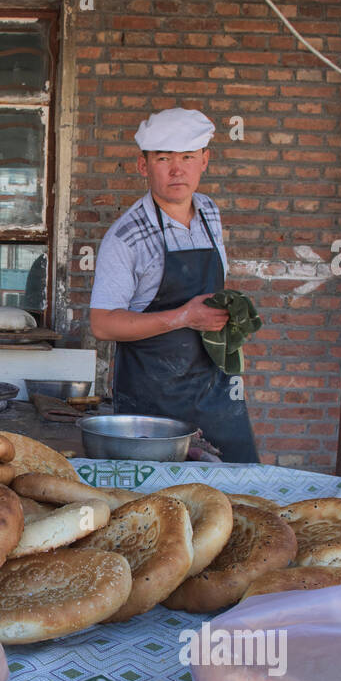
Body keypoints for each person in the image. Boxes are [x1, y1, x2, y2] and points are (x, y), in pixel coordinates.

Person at [88, 107, 260, 463]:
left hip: (215, 396)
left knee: (241, 497)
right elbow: (102, 323)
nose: (177, 169)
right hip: (154, 405)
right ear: (143, 165)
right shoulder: (126, 237)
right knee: (161, 507)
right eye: (164, 158)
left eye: (187, 157)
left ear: (204, 161)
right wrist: (184, 317)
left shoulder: (210, 212)